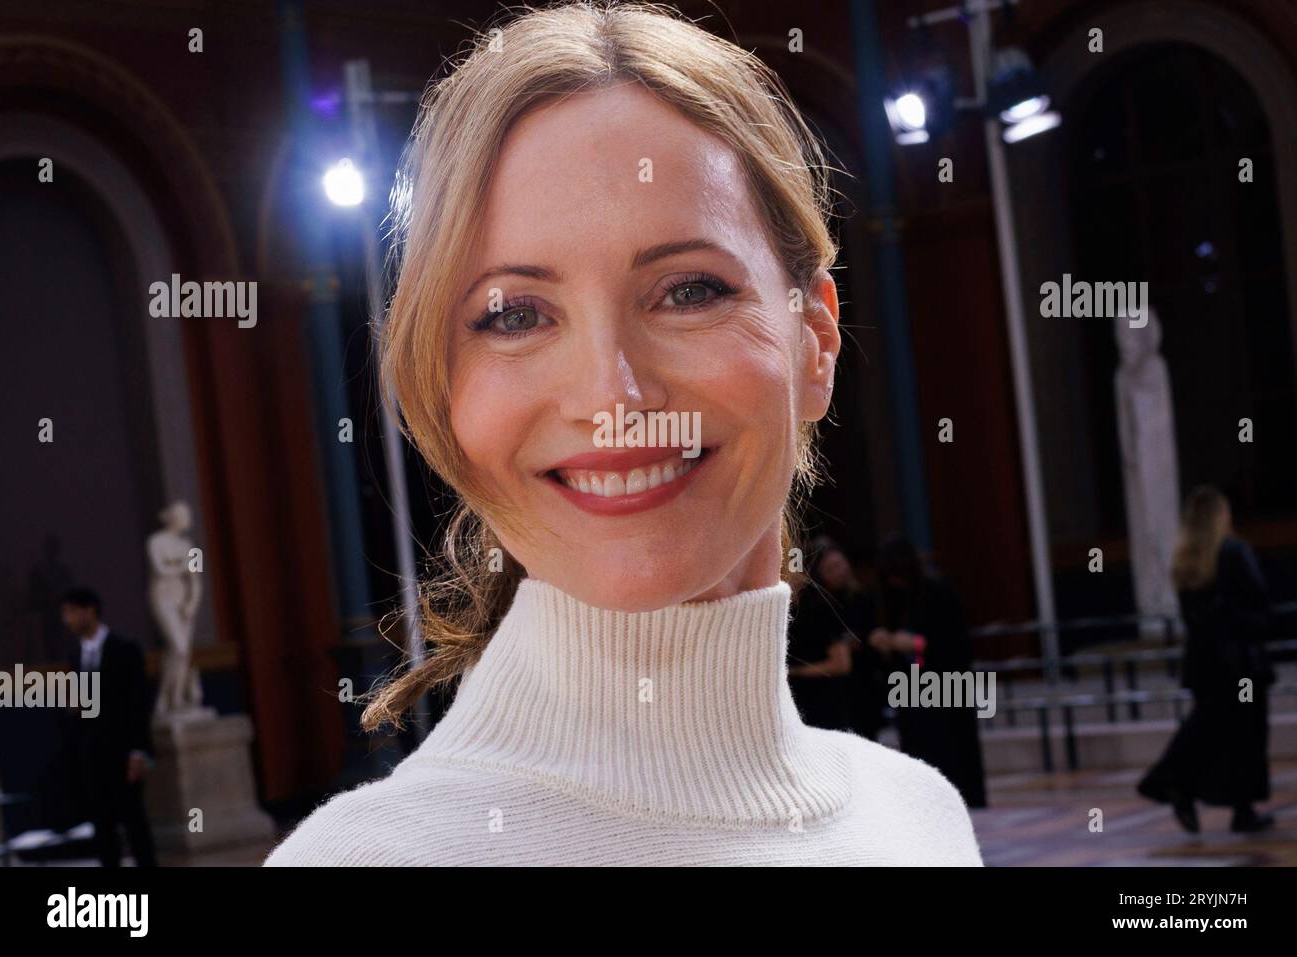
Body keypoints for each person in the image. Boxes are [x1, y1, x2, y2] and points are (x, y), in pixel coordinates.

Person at [264, 1, 981, 866]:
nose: (613, 394)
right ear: (444, 388)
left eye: (688, 291)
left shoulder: (918, 816)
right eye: (516, 313)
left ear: (816, 340)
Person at [1137, 486, 1275, 833]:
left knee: (1209, 731)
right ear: (1220, 517)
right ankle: (1227, 804)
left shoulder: (1187, 562)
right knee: (1245, 737)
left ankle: (1179, 786)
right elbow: (1259, 609)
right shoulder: (1233, 551)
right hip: (1241, 664)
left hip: (1205, 665)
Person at [870, 537, 988, 809]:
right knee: (919, 745)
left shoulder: (937, 590)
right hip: (912, 687)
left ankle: (960, 800)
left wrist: (916, 644)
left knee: (951, 748)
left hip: (946, 685)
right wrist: (886, 642)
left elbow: (954, 641)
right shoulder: (895, 599)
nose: (894, 582)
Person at [60, 587, 157, 866]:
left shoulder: (124, 649)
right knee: (103, 829)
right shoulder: (76, 656)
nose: (67, 620)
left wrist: (138, 751)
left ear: (88, 610)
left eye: (70, 612)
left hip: (124, 753)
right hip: (92, 756)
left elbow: (138, 704)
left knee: (135, 824)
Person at [786, 540, 855, 732]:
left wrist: (795, 672)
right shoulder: (777, 609)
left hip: (824, 706)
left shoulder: (821, 604)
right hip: (794, 709)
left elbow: (842, 664)